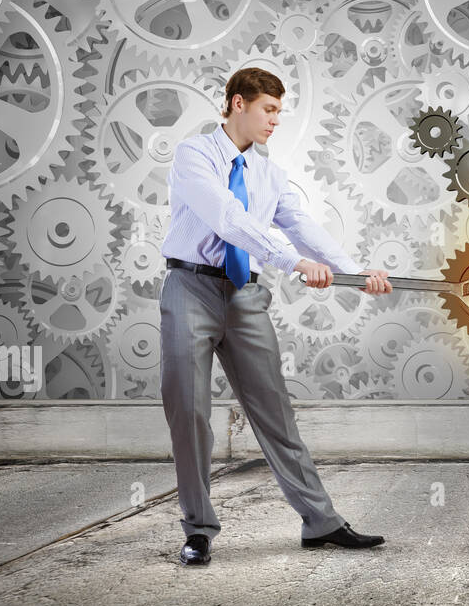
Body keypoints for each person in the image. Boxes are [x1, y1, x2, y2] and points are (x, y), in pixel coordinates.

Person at [159, 66, 392, 566]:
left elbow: (304, 226)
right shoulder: (194, 156)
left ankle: (321, 522)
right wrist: (292, 261)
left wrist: (352, 273)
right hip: (189, 289)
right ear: (237, 104)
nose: (275, 121)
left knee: (275, 412)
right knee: (190, 412)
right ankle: (198, 531)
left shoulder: (268, 173)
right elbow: (227, 216)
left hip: (244, 296)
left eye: (280, 111)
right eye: (269, 109)